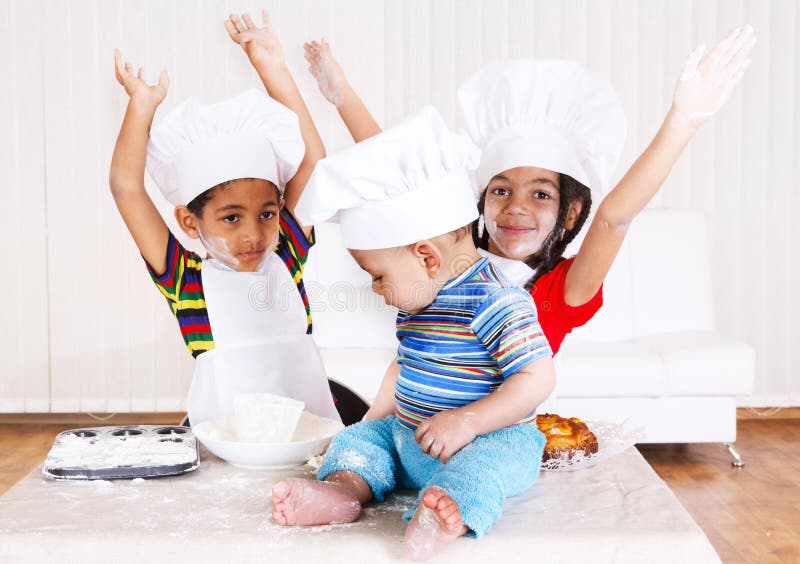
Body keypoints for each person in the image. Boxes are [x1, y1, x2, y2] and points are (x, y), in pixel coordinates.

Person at [303, 26, 756, 355]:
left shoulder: (563, 292)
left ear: (572, 212)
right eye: (501, 191)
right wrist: (341, 94)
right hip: (423, 415)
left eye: (541, 194)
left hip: (498, 435)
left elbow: (615, 216)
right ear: (480, 199)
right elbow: (394, 166)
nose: (516, 207)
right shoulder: (453, 257)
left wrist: (681, 123)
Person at [273, 108, 556, 562]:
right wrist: (371, 424)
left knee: (480, 470)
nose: (375, 286)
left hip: (490, 439)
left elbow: (538, 378)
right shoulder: (421, 301)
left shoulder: (494, 299)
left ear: (427, 258)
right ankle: (343, 491)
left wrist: (468, 422)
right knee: (358, 440)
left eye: (377, 274)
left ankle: (448, 513)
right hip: (412, 437)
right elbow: (403, 366)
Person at [108, 10, 338, 421]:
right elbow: (127, 188)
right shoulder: (185, 281)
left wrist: (273, 68)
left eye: (267, 214)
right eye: (231, 218)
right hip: (225, 445)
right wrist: (141, 106)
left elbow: (312, 162)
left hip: (310, 436)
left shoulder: (290, 256)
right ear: (189, 222)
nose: (255, 235)